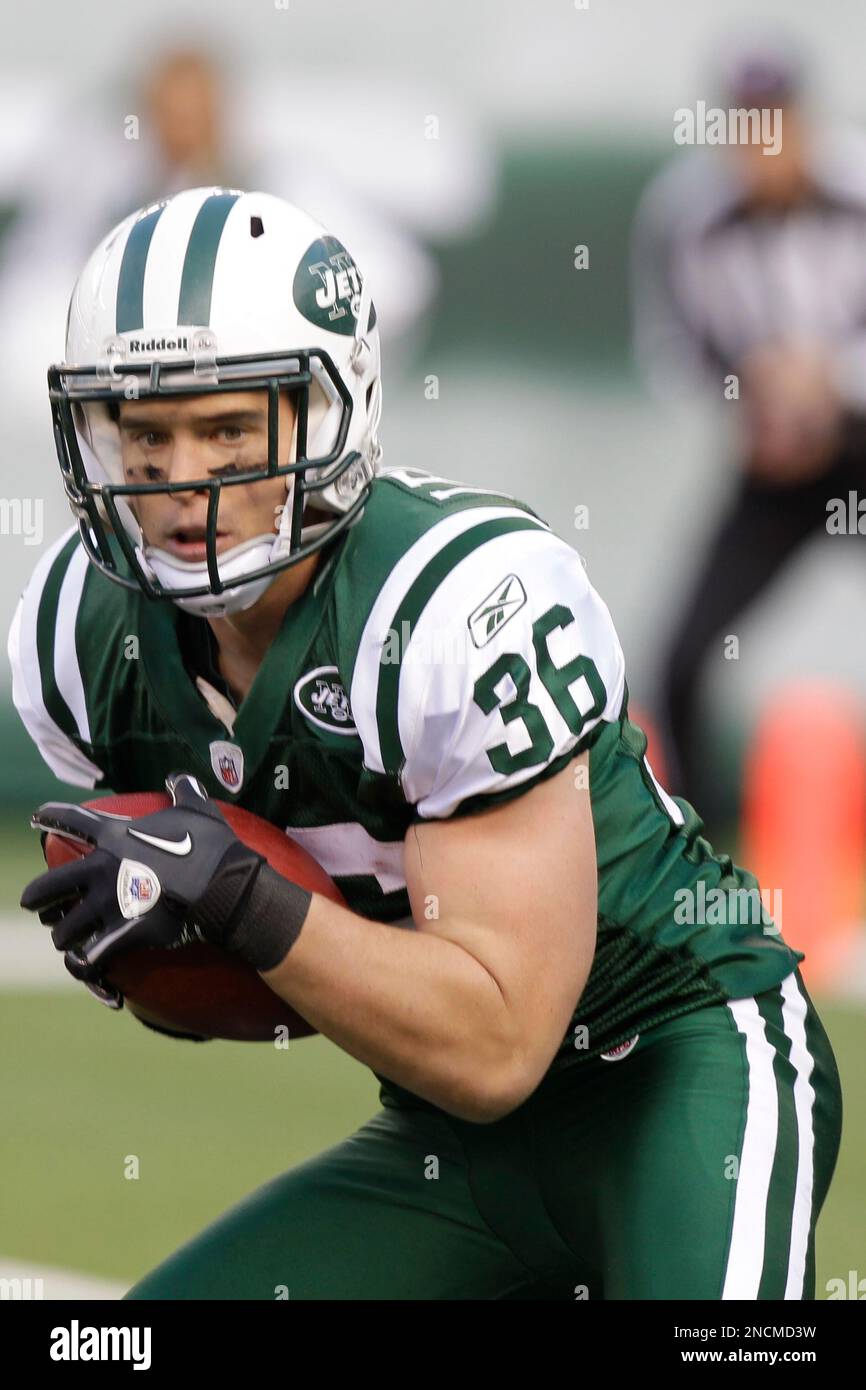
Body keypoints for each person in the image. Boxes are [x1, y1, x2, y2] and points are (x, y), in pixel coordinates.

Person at [10, 187, 841, 1300]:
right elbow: (258, 992)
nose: (180, 482)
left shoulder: (451, 600)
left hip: (679, 1063)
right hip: (448, 1142)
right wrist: (173, 943)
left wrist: (244, 901)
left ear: (328, 411)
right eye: (147, 434)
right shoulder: (77, 630)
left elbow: (497, 1044)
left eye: (227, 429)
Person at [631, 41, 866, 807]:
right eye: (747, 125)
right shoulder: (683, 217)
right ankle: (705, 852)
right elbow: (667, 352)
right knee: (681, 658)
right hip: (772, 466)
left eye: (778, 122)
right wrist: (750, 391)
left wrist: (831, 379)